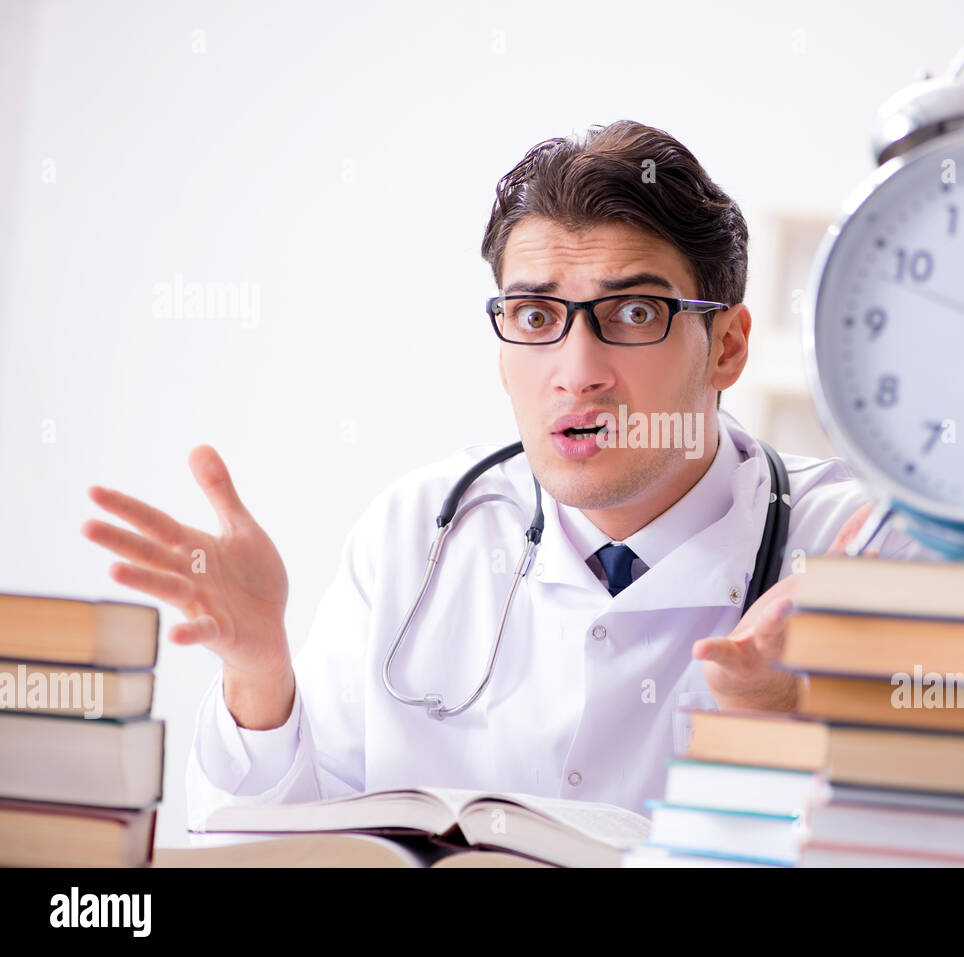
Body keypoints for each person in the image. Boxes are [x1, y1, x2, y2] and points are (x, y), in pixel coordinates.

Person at [81, 119, 918, 831]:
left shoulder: (854, 549)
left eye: (634, 312)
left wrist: (776, 721)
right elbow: (272, 850)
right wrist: (258, 672)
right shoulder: (416, 532)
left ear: (727, 346)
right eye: (536, 316)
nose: (577, 370)